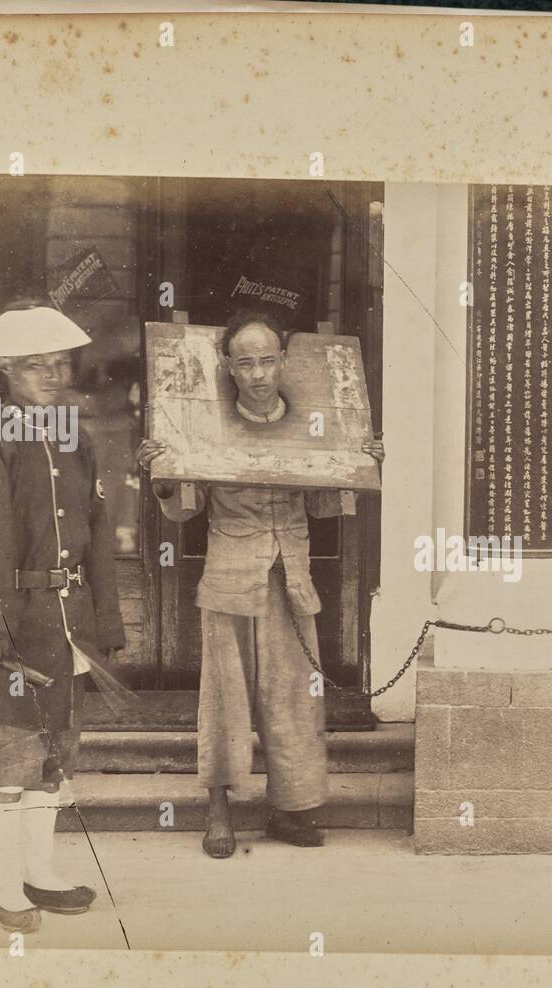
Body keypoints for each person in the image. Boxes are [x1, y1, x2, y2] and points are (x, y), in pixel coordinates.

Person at [136, 310, 383, 858]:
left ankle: (289, 809)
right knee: (225, 697)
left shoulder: (311, 420)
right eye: (244, 362)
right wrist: (165, 474)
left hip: (291, 577)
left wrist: (354, 464)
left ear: (285, 362)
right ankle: (219, 810)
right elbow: (183, 510)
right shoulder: (202, 421)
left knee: (294, 696)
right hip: (230, 574)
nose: (257, 373)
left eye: (267, 360)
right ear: (227, 367)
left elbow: (322, 505)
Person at [0, 299, 127, 933]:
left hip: (67, 623)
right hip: (13, 628)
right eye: (34, 368)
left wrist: (107, 621)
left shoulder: (75, 439)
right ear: (6, 374)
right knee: (9, 761)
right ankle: (3, 888)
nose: (52, 377)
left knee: (53, 760)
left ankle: (39, 874)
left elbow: (98, 531)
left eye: (59, 365)